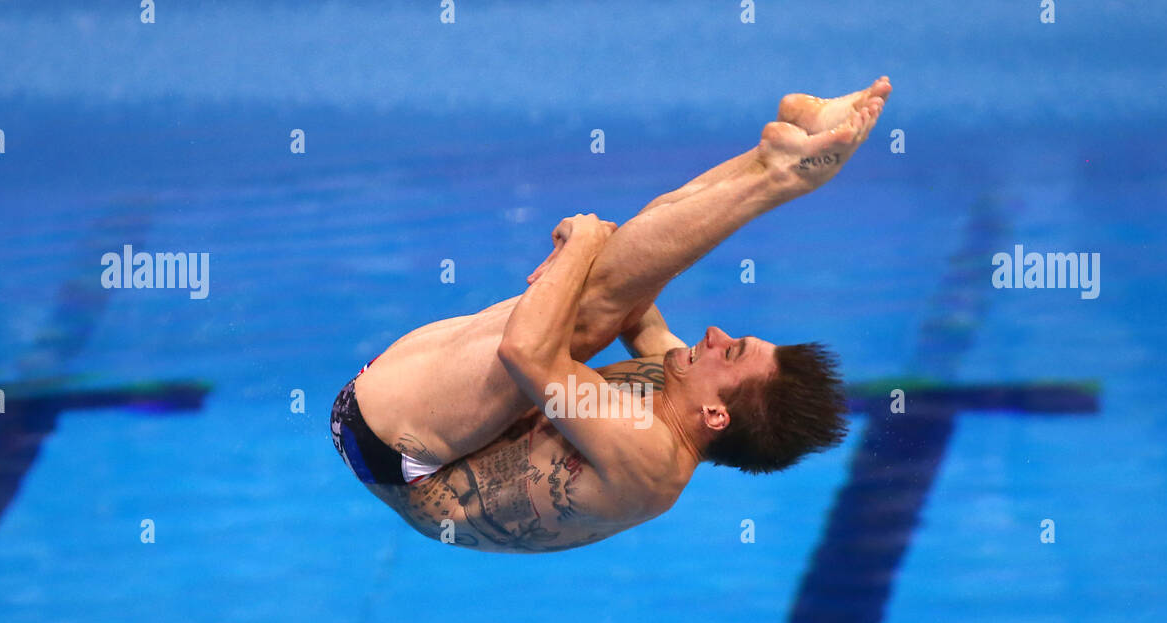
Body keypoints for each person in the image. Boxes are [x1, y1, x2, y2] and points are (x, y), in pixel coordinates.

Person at [331, 78, 892, 552]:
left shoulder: (648, 461)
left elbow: (526, 352)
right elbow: (640, 278)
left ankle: (782, 177)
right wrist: (601, 248)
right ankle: (777, 154)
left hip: (401, 450)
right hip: (426, 416)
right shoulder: (678, 392)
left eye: (731, 353)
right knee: (618, 282)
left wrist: (578, 239)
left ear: (717, 416)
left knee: (591, 303)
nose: (716, 335)